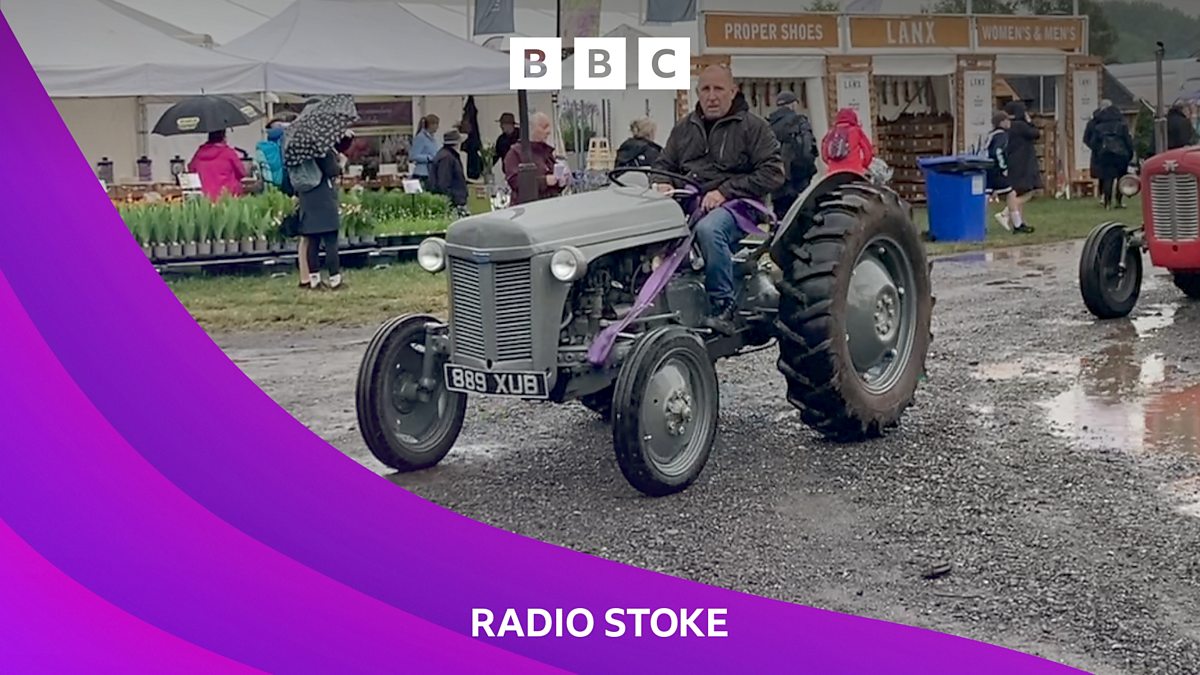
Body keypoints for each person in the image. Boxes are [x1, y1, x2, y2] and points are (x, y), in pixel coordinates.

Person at [652, 64, 784, 335]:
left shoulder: (754, 128)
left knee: (709, 230)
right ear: (697, 93)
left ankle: (724, 306)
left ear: (733, 91)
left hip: (740, 207)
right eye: (705, 89)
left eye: (718, 89)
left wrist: (725, 191)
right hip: (690, 202)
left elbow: (773, 173)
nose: (712, 96)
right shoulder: (684, 129)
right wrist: (663, 183)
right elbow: (663, 165)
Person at [290, 136, 349, 291]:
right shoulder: (322, 149)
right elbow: (332, 171)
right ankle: (335, 279)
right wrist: (341, 162)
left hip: (307, 198)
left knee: (313, 241)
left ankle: (314, 280)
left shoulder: (298, 152)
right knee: (330, 241)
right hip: (324, 197)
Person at [767, 91, 818, 221]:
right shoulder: (800, 121)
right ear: (793, 105)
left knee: (781, 221)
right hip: (798, 181)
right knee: (800, 219)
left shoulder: (768, 124)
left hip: (776, 180)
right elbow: (808, 151)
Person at [502, 112, 565, 205]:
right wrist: (544, 181)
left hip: (549, 206)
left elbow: (554, 180)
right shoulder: (515, 153)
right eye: (544, 127)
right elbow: (516, 182)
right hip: (527, 209)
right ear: (531, 129)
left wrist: (560, 181)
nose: (549, 131)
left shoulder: (546, 152)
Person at [986, 111, 1033, 234]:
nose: (1009, 123)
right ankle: (1017, 225)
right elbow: (998, 152)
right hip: (996, 169)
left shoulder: (991, 135)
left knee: (985, 196)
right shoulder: (1002, 136)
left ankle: (978, 222)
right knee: (1011, 194)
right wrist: (1003, 167)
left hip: (987, 169)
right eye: (1007, 120)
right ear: (1002, 122)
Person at [1086, 103, 1135, 210]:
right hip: (1121, 156)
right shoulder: (1122, 125)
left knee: (1108, 179)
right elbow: (1128, 141)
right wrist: (1130, 154)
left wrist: (1098, 152)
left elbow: (1093, 142)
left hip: (1105, 156)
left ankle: (1107, 203)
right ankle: (1119, 201)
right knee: (1121, 179)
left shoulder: (1099, 127)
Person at [1003, 100, 1043, 225]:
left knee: (1017, 190)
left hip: (1012, 161)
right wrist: (1030, 122)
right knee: (1029, 190)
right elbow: (1036, 134)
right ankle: (1007, 211)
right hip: (1024, 161)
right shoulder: (1020, 125)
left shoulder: (1007, 127)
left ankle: (1020, 221)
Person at [188, 129, 246, 201]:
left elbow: (191, 169)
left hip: (205, 200)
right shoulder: (228, 152)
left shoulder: (199, 153)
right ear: (223, 137)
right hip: (228, 198)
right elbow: (242, 173)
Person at [821, 108, 875, 176]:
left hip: (833, 173)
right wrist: (864, 164)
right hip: (854, 171)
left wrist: (832, 164)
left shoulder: (831, 133)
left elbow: (824, 155)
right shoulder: (856, 131)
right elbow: (868, 151)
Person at [430, 129, 469, 216]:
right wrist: (454, 199)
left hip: (453, 201)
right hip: (453, 203)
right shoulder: (447, 158)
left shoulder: (446, 155)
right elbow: (443, 183)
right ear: (457, 143)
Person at [411, 114, 440, 188]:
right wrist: (429, 158)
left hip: (430, 172)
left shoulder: (432, 139)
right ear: (430, 125)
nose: (437, 127)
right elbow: (413, 156)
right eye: (436, 124)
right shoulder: (420, 138)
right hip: (422, 173)